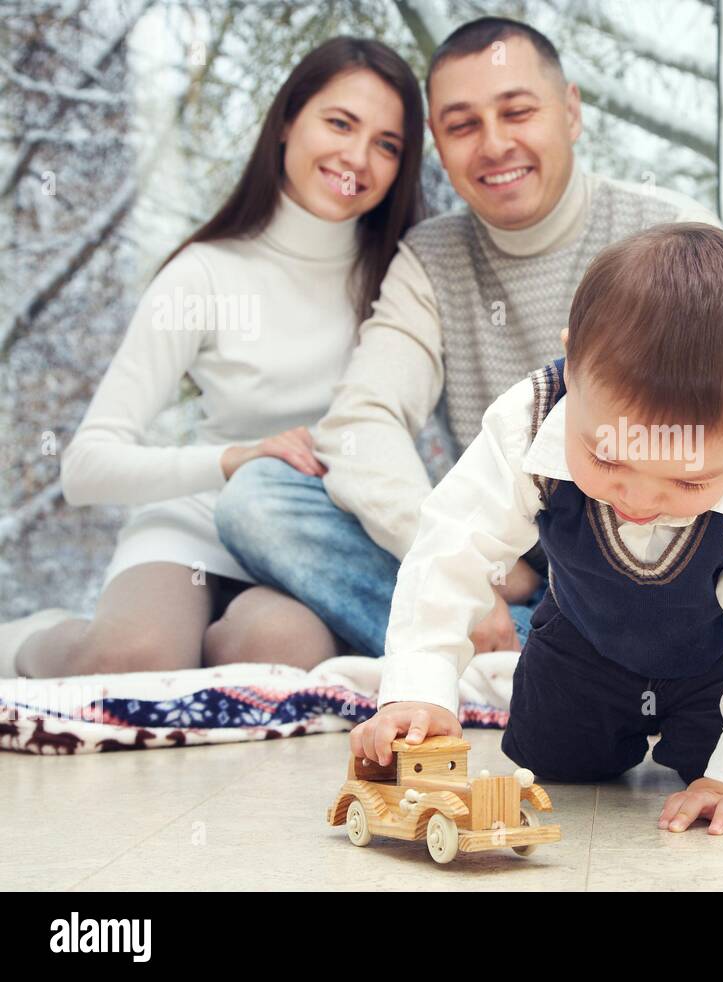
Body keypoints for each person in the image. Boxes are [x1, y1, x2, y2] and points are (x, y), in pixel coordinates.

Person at [214, 16, 717, 660]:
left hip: (637, 578)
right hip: (500, 577)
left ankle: (506, 663)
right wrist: (464, 573)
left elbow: (714, 443)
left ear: (570, 113)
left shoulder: (673, 234)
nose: (495, 144)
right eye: (463, 125)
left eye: (517, 111)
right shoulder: (431, 259)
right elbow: (361, 421)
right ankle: (511, 659)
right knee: (259, 500)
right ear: (438, 145)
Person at [350, 224, 723, 836]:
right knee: (552, 759)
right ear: (574, 363)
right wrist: (418, 688)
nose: (641, 499)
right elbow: (452, 547)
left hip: (716, 664)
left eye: (689, 484)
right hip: (583, 644)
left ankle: (720, 752)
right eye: (607, 459)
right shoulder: (528, 418)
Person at [0, 38, 427, 679]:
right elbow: (85, 466)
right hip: (196, 522)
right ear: (286, 122)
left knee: (284, 652)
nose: (357, 157)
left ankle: (196, 651)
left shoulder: (403, 279)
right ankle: (27, 644)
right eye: (339, 123)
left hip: (309, 536)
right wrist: (234, 459)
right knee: (133, 657)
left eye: (387, 145)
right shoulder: (203, 272)